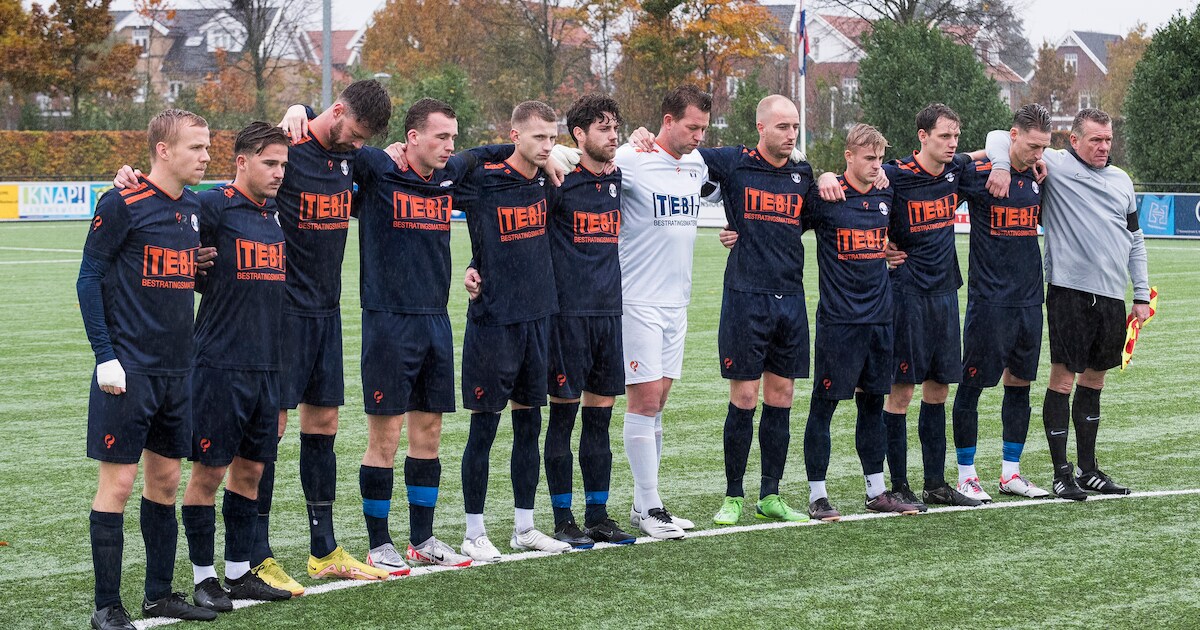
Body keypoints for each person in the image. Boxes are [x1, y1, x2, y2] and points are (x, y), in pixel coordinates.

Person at [79, 108, 218, 629]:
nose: (206, 157)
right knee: (116, 486)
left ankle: (159, 594)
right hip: (128, 370)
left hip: (178, 371)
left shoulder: (195, 209)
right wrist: (104, 355)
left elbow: (176, 279)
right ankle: (107, 607)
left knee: (165, 482)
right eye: (196, 148)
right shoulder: (122, 202)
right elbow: (88, 278)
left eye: (207, 147)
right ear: (164, 150)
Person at [985, 108, 1150, 499]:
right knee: (1063, 379)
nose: (1103, 147)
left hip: (1111, 296)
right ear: (1073, 140)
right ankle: (1063, 474)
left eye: (1108, 139)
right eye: (1095, 139)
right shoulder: (1054, 164)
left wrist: (1141, 293)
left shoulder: (1122, 180)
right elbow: (997, 136)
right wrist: (1000, 167)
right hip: (1068, 293)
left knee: (1095, 380)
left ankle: (1089, 469)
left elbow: (1136, 239)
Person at [822, 103, 980, 508]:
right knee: (901, 394)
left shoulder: (954, 170)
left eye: (956, 137)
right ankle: (899, 484)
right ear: (922, 137)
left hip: (945, 293)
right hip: (904, 296)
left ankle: (936, 483)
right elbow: (853, 189)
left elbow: (990, 150)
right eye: (944, 136)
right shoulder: (893, 175)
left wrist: (995, 165)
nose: (952, 144)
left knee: (939, 389)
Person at [269, 80, 393, 586]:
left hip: (326, 314)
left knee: (323, 429)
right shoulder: (286, 149)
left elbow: (426, 165)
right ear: (336, 110)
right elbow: (242, 165)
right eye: (356, 133)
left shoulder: (354, 159)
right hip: (280, 316)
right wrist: (294, 107)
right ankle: (255, 554)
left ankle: (324, 550)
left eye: (367, 139)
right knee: (267, 434)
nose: (359, 145)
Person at [178, 122, 294, 612]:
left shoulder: (274, 217)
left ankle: (240, 573)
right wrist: (127, 179)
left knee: (250, 472)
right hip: (219, 365)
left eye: (284, 165)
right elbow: (163, 220)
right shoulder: (210, 205)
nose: (278, 173)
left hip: (266, 367)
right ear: (242, 161)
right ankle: (204, 579)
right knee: (208, 473)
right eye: (270, 163)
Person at [458, 101, 573, 561]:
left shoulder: (550, 181)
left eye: (552, 137)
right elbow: (449, 164)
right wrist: (472, 264)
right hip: (493, 322)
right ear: (514, 135)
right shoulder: (483, 180)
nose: (547, 145)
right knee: (484, 429)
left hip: (538, 319)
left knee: (529, 425)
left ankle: (525, 526)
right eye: (538, 137)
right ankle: (473, 531)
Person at [693, 95, 815, 525]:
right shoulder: (732, 163)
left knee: (782, 396)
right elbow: (681, 151)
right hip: (745, 296)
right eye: (782, 126)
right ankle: (733, 496)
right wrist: (642, 138)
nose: (791, 134)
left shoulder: (803, 172)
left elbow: (822, 215)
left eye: (795, 126)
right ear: (761, 128)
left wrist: (835, 175)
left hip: (791, 298)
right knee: (744, 397)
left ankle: (771, 494)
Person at [801, 124, 925, 520]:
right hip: (839, 322)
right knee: (823, 407)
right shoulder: (826, 196)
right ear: (848, 157)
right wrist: (735, 231)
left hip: (880, 319)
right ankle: (818, 495)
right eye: (867, 158)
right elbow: (782, 225)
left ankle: (876, 490)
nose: (875, 165)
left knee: (872, 404)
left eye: (878, 158)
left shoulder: (888, 191)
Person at [609, 85, 713, 539]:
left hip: (678, 302)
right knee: (644, 401)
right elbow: (580, 160)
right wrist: (629, 137)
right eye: (692, 127)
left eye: (704, 128)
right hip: (637, 300)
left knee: (660, 403)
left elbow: (715, 193)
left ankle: (643, 503)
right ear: (667, 121)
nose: (699, 136)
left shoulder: (697, 164)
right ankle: (652, 507)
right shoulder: (632, 158)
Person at [540, 95, 637, 547]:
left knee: (600, 421)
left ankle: (598, 514)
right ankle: (564, 519)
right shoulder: (557, 179)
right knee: (563, 419)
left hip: (609, 316)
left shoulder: (619, 175)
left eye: (615, 126)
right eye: (602, 128)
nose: (613, 135)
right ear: (578, 135)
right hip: (567, 318)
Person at [950, 104, 1054, 500]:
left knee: (1020, 385)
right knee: (972, 386)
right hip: (988, 300)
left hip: (1030, 300)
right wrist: (996, 161)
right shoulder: (982, 175)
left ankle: (1011, 473)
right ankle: (966, 474)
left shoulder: (1039, 176)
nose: (1038, 155)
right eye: (1032, 146)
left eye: (1044, 147)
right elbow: (944, 170)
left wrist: (1027, 164)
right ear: (1013, 136)